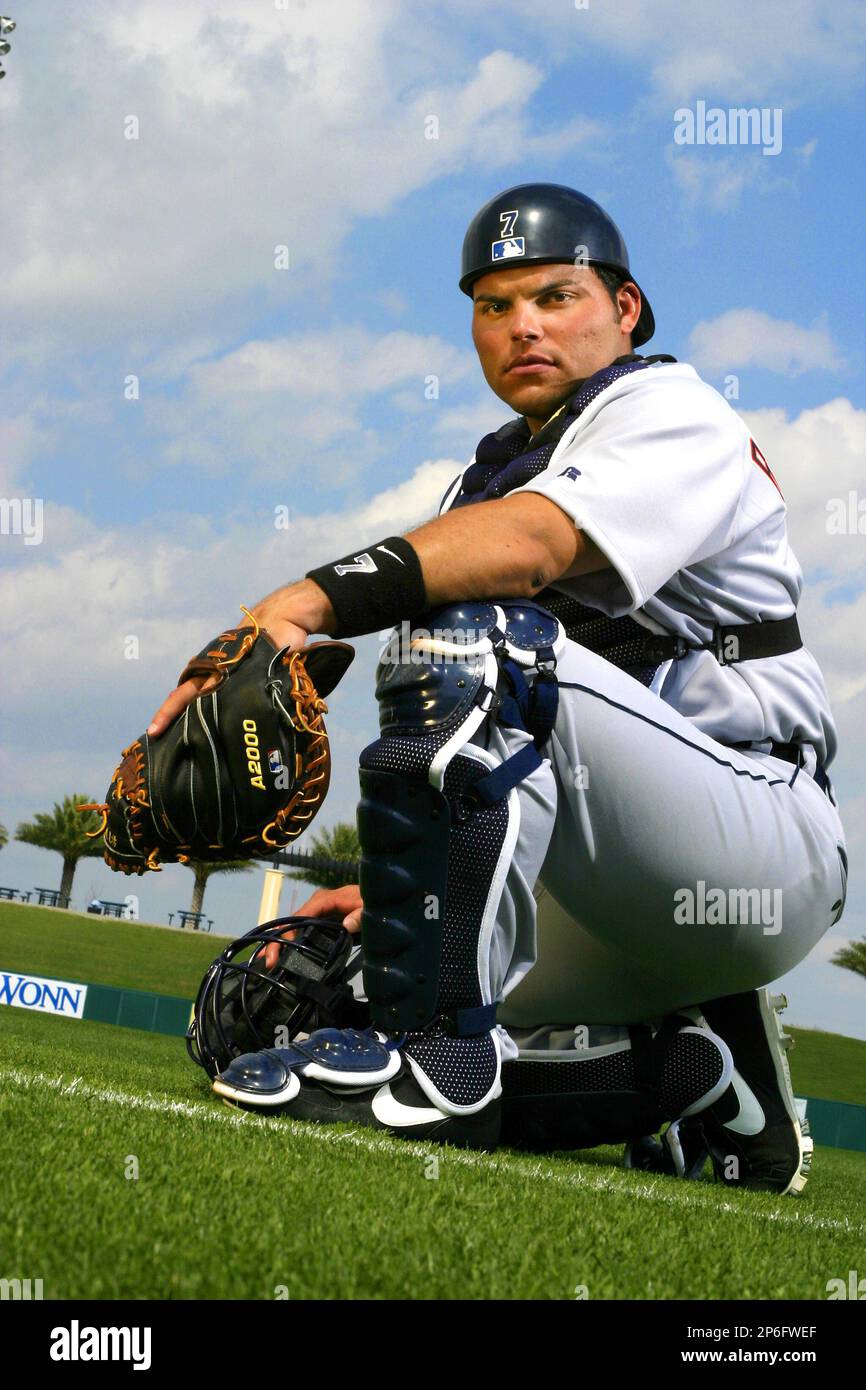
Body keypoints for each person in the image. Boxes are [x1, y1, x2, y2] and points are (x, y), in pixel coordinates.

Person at [150, 184, 847, 1192]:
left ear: (625, 309)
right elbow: (461, 749)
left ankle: (440, 1056)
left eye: (555, 295)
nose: (521, 324)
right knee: (300, 1003)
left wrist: (299, 604)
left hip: (752, 843)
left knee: (476, 636)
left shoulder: (667, 410)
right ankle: (699, 1070)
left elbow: (527, 552)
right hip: (597, 886)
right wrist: (405, 890)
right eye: (492, 305)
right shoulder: (473, 487)